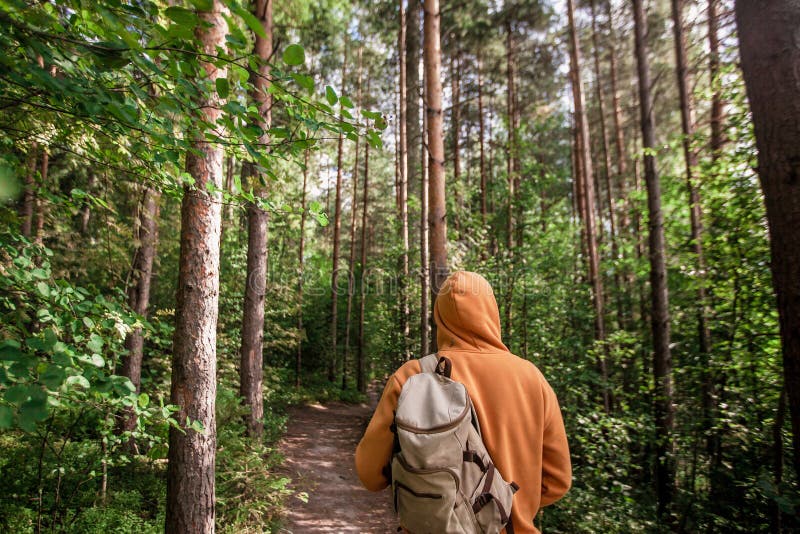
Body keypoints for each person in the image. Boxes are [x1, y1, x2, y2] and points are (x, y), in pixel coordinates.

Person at [355, 270, 571, 533]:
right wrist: (507, 504)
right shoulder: (533, 380)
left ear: (440, 318)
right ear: (492, 312)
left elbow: (369, 474)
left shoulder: (413, 376)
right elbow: (557, 481)